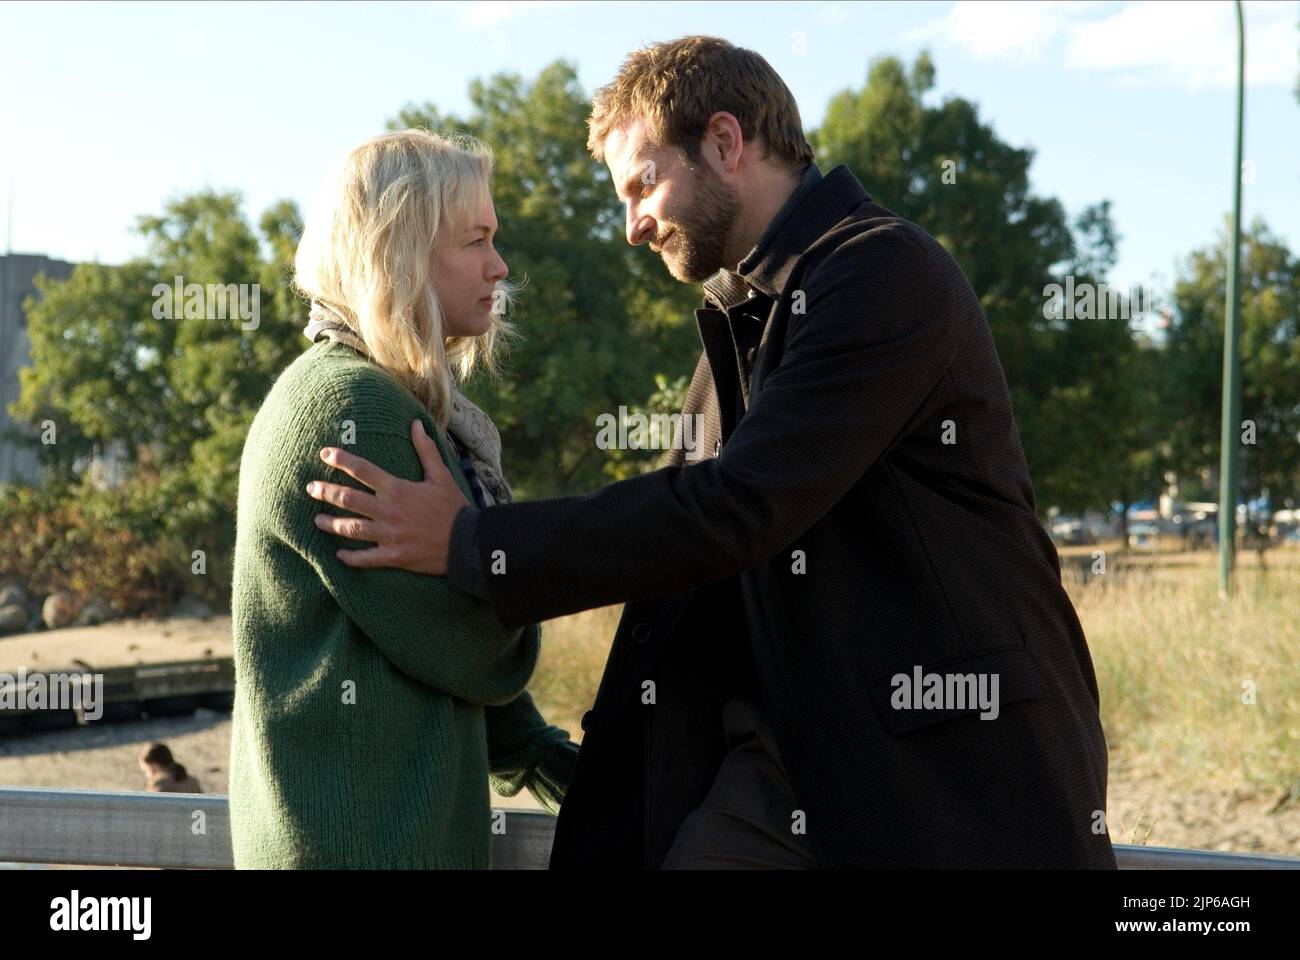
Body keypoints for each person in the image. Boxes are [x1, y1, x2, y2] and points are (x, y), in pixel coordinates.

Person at [307, 37, 1116, 869]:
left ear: (726, 143)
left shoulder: (882, 275)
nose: (633, 227)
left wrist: (471, 545)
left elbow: (737, 508)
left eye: (643, 185)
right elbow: (683, 559)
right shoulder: (743, 317)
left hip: (946, 772)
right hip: (794, 762)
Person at [229, 129, 578, 869]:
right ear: (401, 249)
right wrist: (497, 567)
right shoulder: (350, 407)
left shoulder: (370, 394)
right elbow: (474, 643)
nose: (499, 265)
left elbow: (427, 641)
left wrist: (548, 760)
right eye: (475, 240)